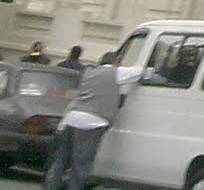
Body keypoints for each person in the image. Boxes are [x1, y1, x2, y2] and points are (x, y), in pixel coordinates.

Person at [43, 51, 141, 190]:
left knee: (60, 160)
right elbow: (139, 71)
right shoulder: (116, 72)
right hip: (93, 121)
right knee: (81, 164)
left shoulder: (89, 73)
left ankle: (50, 187)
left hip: (71, 118)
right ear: (117, 61)